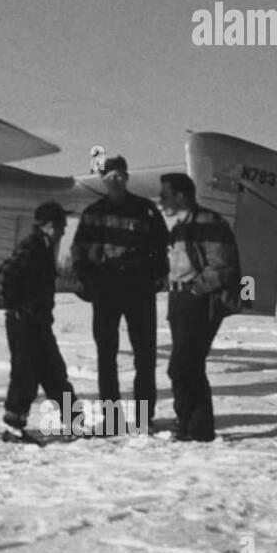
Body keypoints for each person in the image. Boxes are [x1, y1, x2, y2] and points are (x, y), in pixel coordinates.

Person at [70, 156, 169, 432]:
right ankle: (111, 418)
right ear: (103, 180)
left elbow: (162, 245)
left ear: (127, 178)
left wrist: (157, 276)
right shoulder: (93, 212)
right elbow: (79, 250)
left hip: (139, 288)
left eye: (120, 176)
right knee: (106, 355)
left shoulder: (145, 210)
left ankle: (143, 417)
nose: (115, 180)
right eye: (110, 176)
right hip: (106, 289)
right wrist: (87, 281)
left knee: (145, 354)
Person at [158, 173, 240, 442]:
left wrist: (196, 289)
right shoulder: (179, 227)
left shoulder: (208, 222)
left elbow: (223, 265)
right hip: (180, 301)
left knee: (183, 366)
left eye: (166, 194)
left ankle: (195, 426)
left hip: (200, 302)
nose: (162, 200)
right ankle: (192, 426)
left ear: (181, 195)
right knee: (189, 366)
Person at [0, 202, 75, 443]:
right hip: (25, 323)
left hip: (38, 322)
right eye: (61, 225)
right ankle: (13, 427)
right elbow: (5, 273)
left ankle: (75, 422)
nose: (64, 230)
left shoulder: (44, 246)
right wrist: (18, 306)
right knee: (25, 375)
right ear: (50, 226)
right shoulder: (32, 245)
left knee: (54, 371)